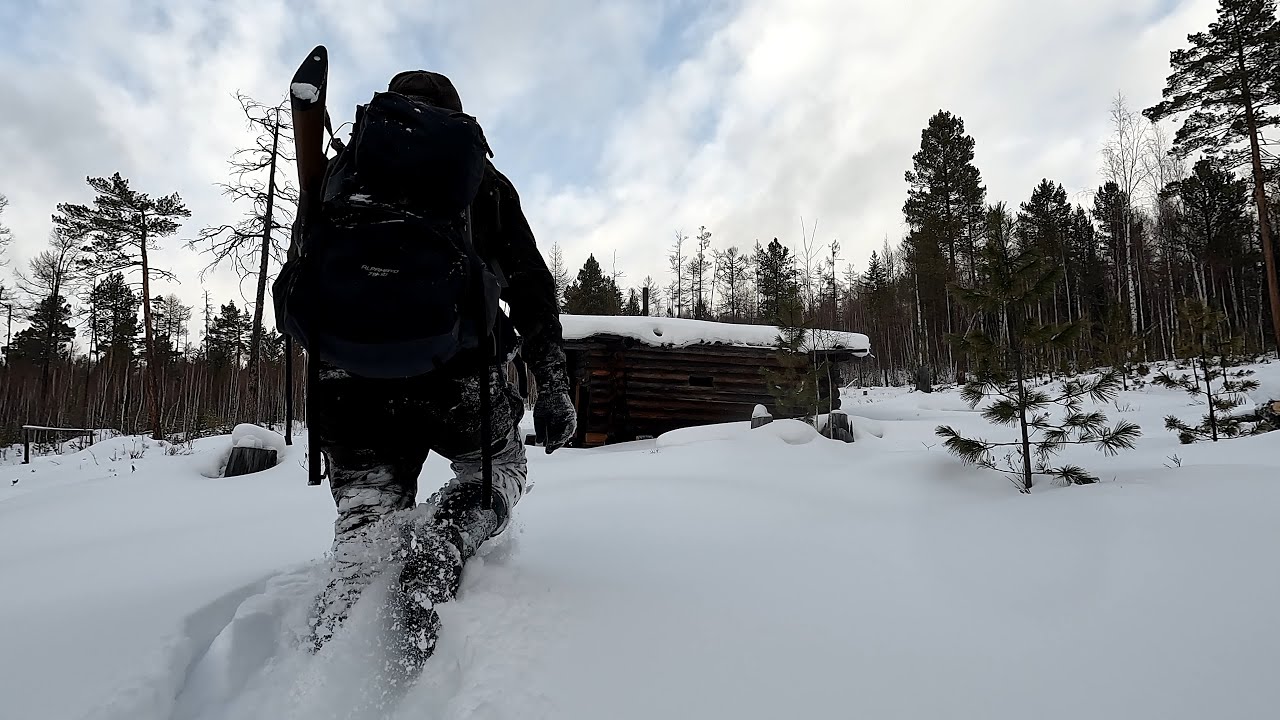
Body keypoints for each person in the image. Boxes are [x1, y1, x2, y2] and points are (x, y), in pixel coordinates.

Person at [302, 70, 577, 666]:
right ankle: (445, 541)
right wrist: (552, 382)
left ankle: (329, 650)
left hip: (346, 381)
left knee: (367, 512)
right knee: (496, 467)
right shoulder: (480, 181)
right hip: (454, 375)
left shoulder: (342, 173)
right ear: (454, 120)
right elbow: (530, 286)